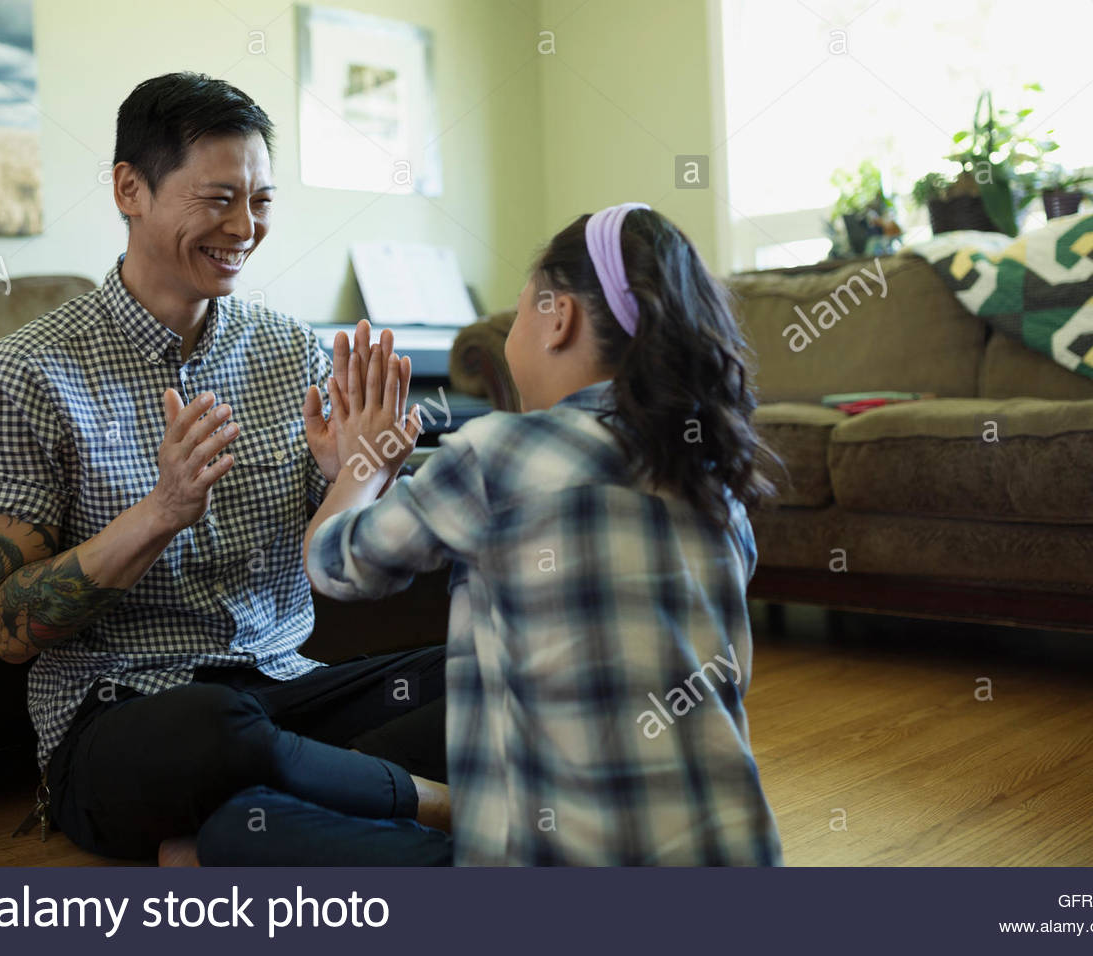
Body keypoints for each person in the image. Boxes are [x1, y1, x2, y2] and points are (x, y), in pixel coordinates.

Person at [0, 72, 451, 866]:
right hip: (128, 717)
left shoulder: (290, 351)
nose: (245, 227)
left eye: (260, 201)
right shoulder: (24, 375)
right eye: (218, 199)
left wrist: (354, 476)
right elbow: (7, 628)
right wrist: (159, 512)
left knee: (485, 670)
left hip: (289, 691)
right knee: (211, 728)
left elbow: (338, 561)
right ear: (129, 189)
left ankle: (245, 831)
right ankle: (422, 807)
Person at [298, 203, 785, 865]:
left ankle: (427, 804)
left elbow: (335, 564)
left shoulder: (500, 453)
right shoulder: (715, 481)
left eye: (522, 308)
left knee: (236, 827)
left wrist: (360, 467)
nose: (513, 331)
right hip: (740, 864)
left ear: (560, 317)